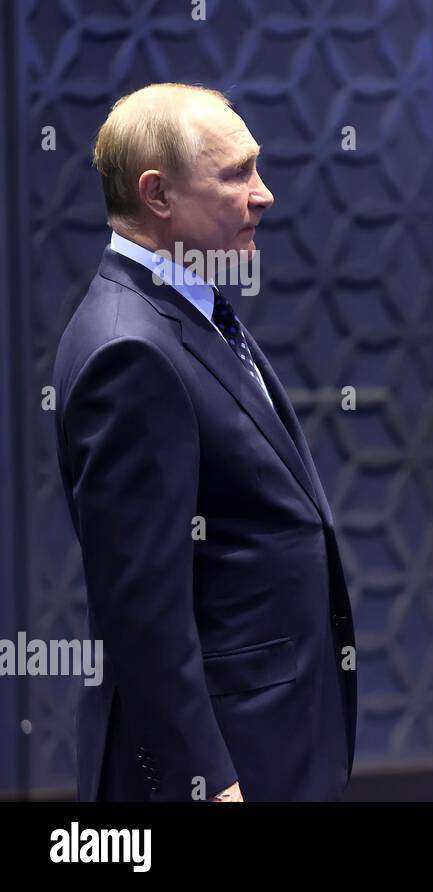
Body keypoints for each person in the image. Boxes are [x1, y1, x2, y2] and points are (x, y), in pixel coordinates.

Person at [53, 83, 356, 801]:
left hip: (271, 738)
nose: (265, 194)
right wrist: (208, 782)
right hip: (222, 766)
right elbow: (142, 614)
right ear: (157, 194)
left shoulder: (189, 307)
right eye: (236, 174)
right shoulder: (132, 350)